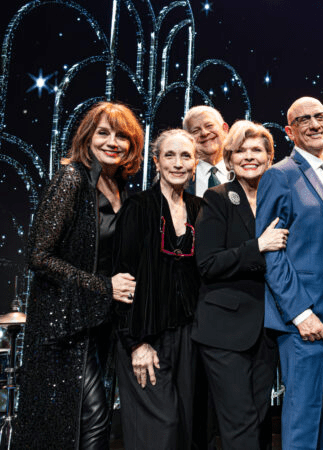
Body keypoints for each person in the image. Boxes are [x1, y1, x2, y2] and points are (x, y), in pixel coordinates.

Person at [16, 101, 143, 449]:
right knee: (93, 421)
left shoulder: (120, 188)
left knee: (89, 423)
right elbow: (38, 256)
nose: (113, 142)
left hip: (102, 324)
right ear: (87, 138)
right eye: (104, 133)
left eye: (123, 136)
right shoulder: (70, 179)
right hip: (65, 326)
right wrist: (103, 286)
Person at [256, 96, 323, 450]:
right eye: (305, 119)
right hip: (305, 321)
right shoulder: (279, 175)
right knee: (302, 423)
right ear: (290, 130)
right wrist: (301, 313)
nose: (315, 124)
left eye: (321, 116)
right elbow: (273, 253)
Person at [192, 120, 286, 449]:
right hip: (224, 331)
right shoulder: (217, 198)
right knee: (240, 420)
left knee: (260, 418)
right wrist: (257, 246)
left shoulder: (281, 199)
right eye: (240, 151)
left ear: (270, 157)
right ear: (230, 159)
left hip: (268, 329)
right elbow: (207, 263)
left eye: (257, 150)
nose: (249, 156)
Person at [113, 129, 201, 449]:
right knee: (159, 431)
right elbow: (122, 279)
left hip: (189, 336)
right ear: (156, 162)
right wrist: (136, 343)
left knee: (188, 431)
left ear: (195, 164)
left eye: (185, 156)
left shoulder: (200, 208)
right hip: (145, 334)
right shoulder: (138, 207)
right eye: (169, 155)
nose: (177, 163)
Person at [182, 105, 230, 196]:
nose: (204, 133)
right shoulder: (180, 178)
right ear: (187, 139)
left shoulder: (244, 172)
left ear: (225, 129)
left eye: (209, 126)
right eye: (196, 130)